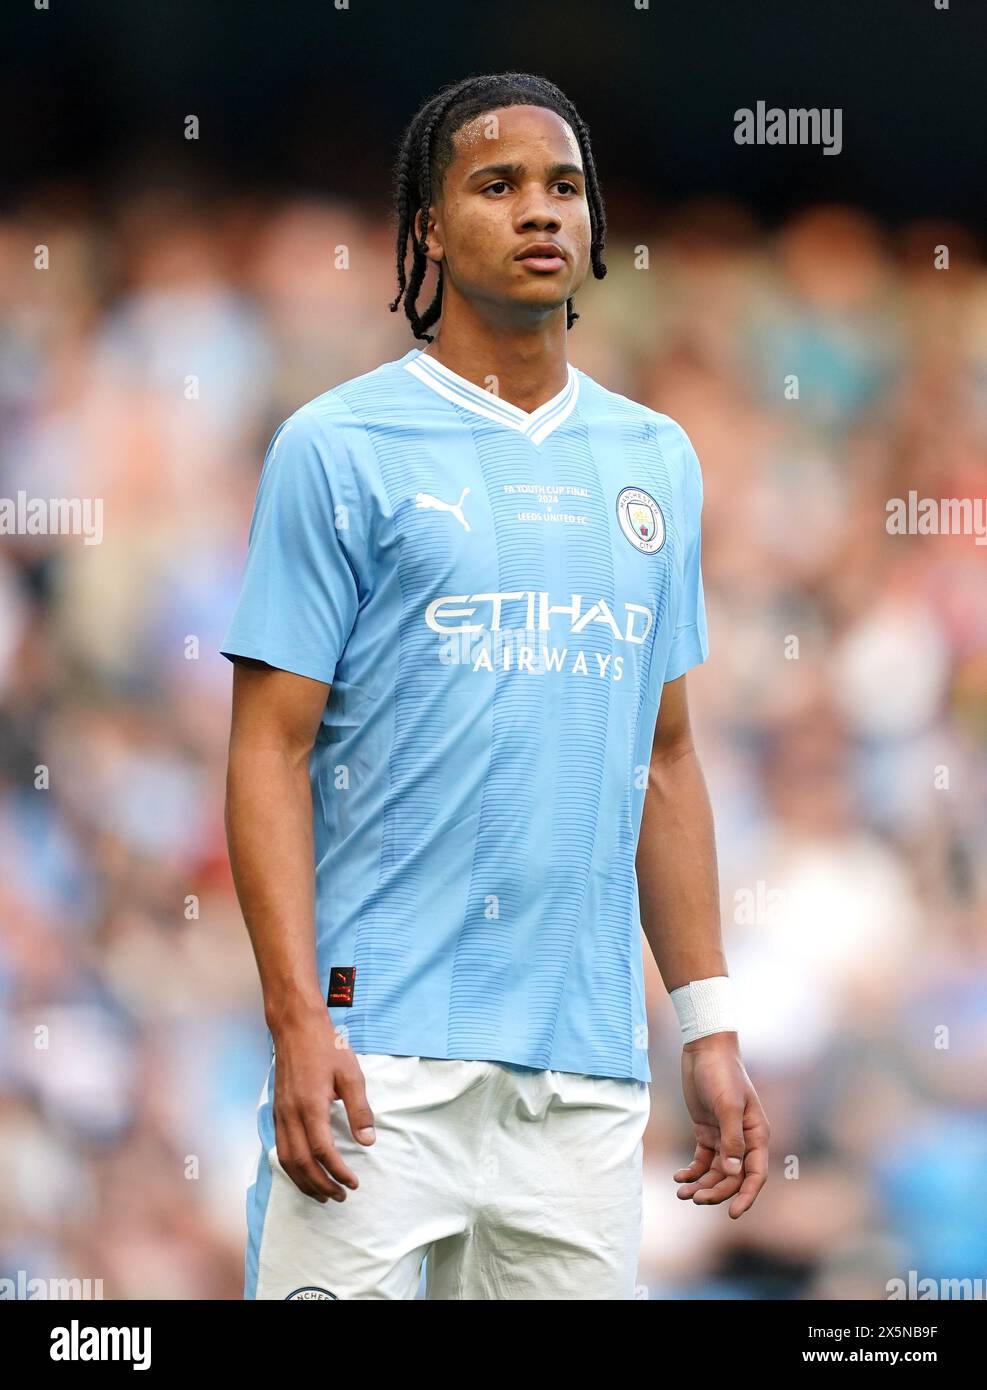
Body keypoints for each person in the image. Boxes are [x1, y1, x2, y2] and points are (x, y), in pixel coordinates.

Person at [221, 71, 769, 1301]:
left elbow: (667, 757)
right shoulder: (339, 445)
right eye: (499, 184)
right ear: (426, 226)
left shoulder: (656, 460)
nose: (540, 211)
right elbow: (268, 751)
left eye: (564, 187)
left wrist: (709, 1023)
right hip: (378, 1058)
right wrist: (297, 1019)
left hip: (580, 1080)